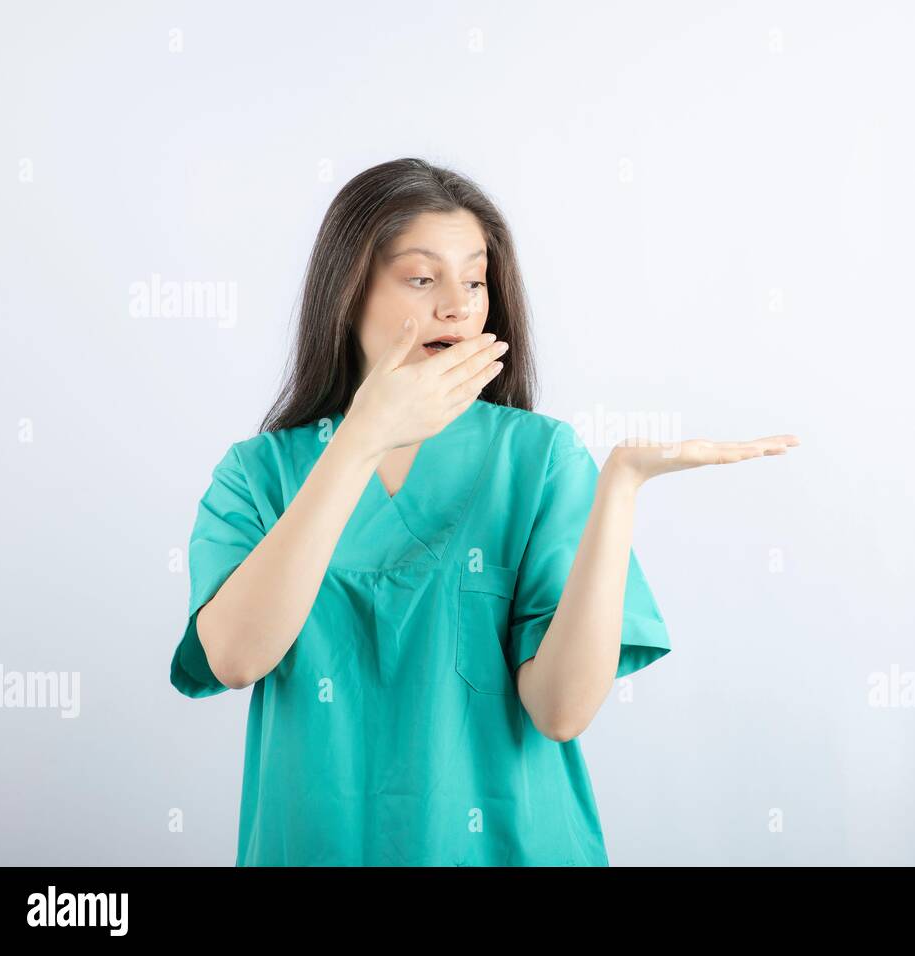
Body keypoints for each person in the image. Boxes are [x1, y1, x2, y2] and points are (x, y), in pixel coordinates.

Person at [170, 157, 800, 865]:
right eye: (421, 278)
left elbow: (561, 711)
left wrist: (619, 487)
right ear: (348, 293)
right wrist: (358, 444)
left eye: (474, 280)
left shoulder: (539, 461)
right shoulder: (258, 476)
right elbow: (232, 658)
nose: (458, 305)